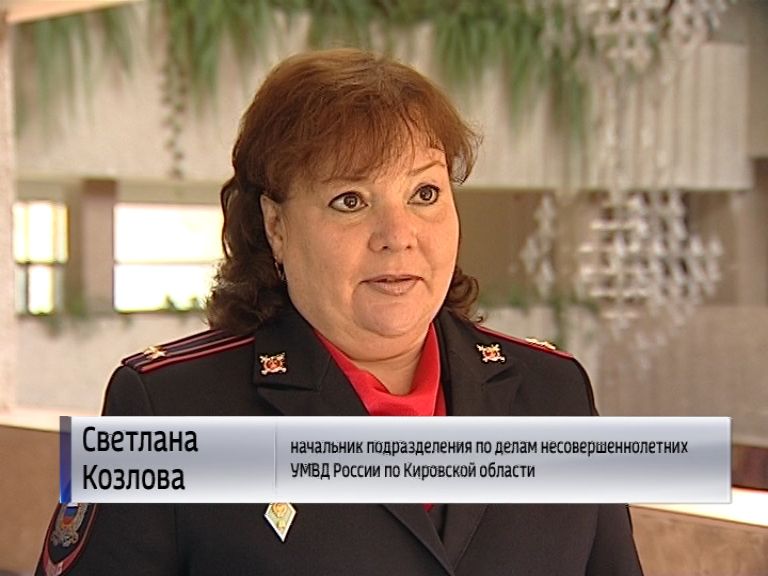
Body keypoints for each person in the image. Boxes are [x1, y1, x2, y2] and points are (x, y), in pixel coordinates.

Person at [36, 48, 643, 575]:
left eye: (424, 193)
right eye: (350, 200)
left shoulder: (555, 391)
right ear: (276, 226)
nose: (398, 236)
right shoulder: (161, 408)